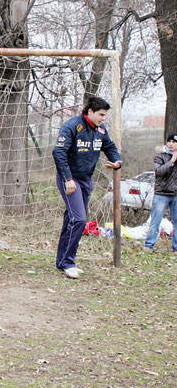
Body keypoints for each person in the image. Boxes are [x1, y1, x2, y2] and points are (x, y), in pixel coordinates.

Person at [52, 96, 122, 278]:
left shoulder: (101, 130)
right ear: (90, 111)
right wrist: (68, 179)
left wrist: (117, 161)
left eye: (105, 115)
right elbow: (58, 152)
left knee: (71, 219)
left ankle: (61, 261)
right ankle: (69, 262)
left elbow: (110, 147)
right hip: (70, 179)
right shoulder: (73, 126)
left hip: (86, 180)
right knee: (80, 219)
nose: (103, 118)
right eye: (100, 114)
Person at [145, 135, 177, 252]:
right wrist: (172, 161)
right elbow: (159, 172)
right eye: (169, 141)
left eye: (174, 142)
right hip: (162, 193)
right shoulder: (160, 157)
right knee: (155, 221)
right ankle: (149, 246)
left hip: (176, 194)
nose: (171, 144)